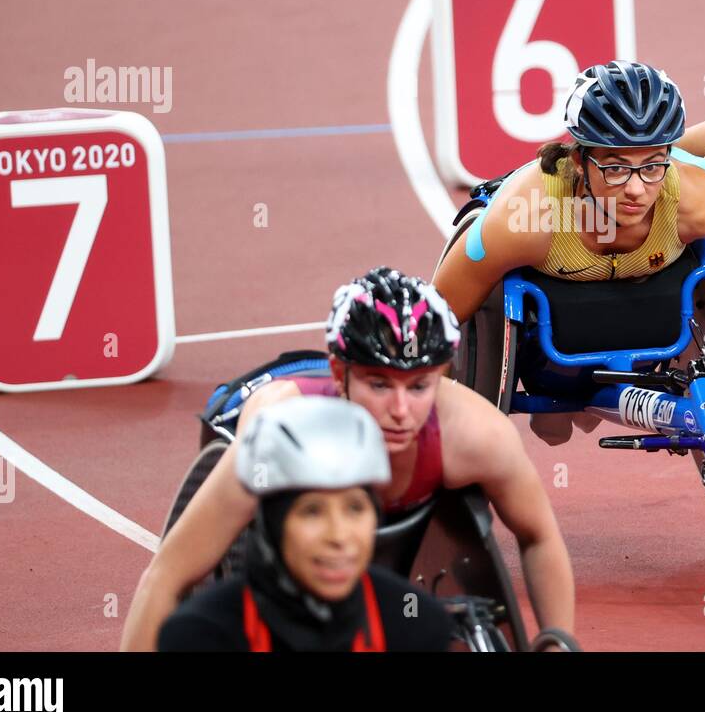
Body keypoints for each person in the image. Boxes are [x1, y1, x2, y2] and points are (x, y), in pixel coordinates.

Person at [121, 268, 574, 651]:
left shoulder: (477, 435)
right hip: (262, 417)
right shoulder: (281, 430)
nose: (400, 410)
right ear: (341, 374)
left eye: (419, 387)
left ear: (442, 375)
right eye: (379, 385)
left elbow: (539, 536)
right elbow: (166, 577)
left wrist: (556, 642)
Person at [432, 59, 705, 323]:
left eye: (653, 166)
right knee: (553, 419)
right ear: (580, 161)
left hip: (643, 320)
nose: (636, 190)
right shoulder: (524, 218)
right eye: (616, 169)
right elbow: (436, 321)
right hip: (545, 335)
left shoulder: (702, 202)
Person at [157, 396, 452, 651]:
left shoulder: (416, 626)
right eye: (312, 512)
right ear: (272, 522)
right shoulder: (201, 635)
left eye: (354, 508)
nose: (339, 535)